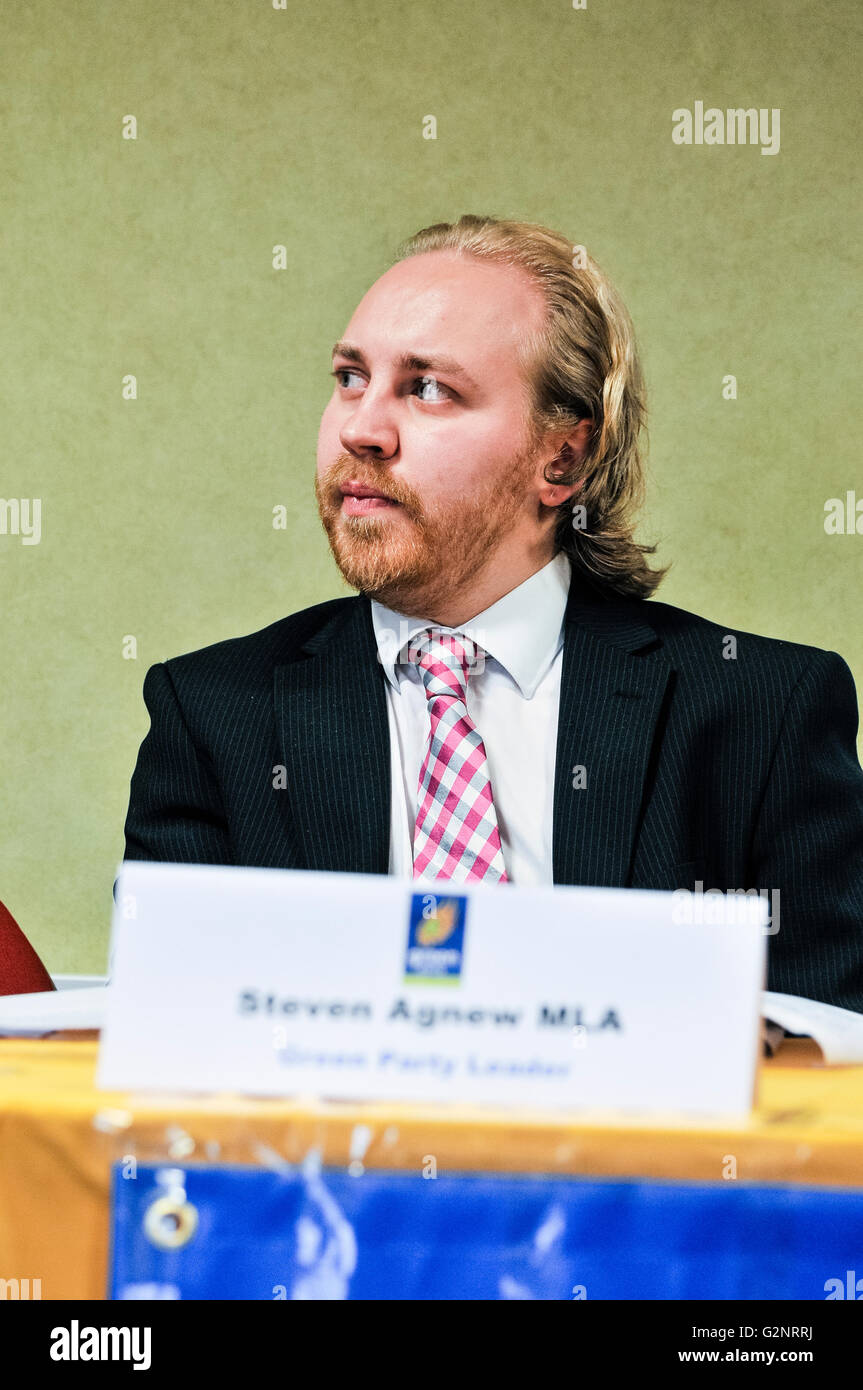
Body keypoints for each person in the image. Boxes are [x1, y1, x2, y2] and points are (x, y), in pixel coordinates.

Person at [123, 214, 863, 1012]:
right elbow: (176, 1053)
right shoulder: (212, 713)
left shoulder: (761, 712)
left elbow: (827, 1070)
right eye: (349, 377)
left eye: (428, 388)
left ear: (562, 457)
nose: (361, 428)